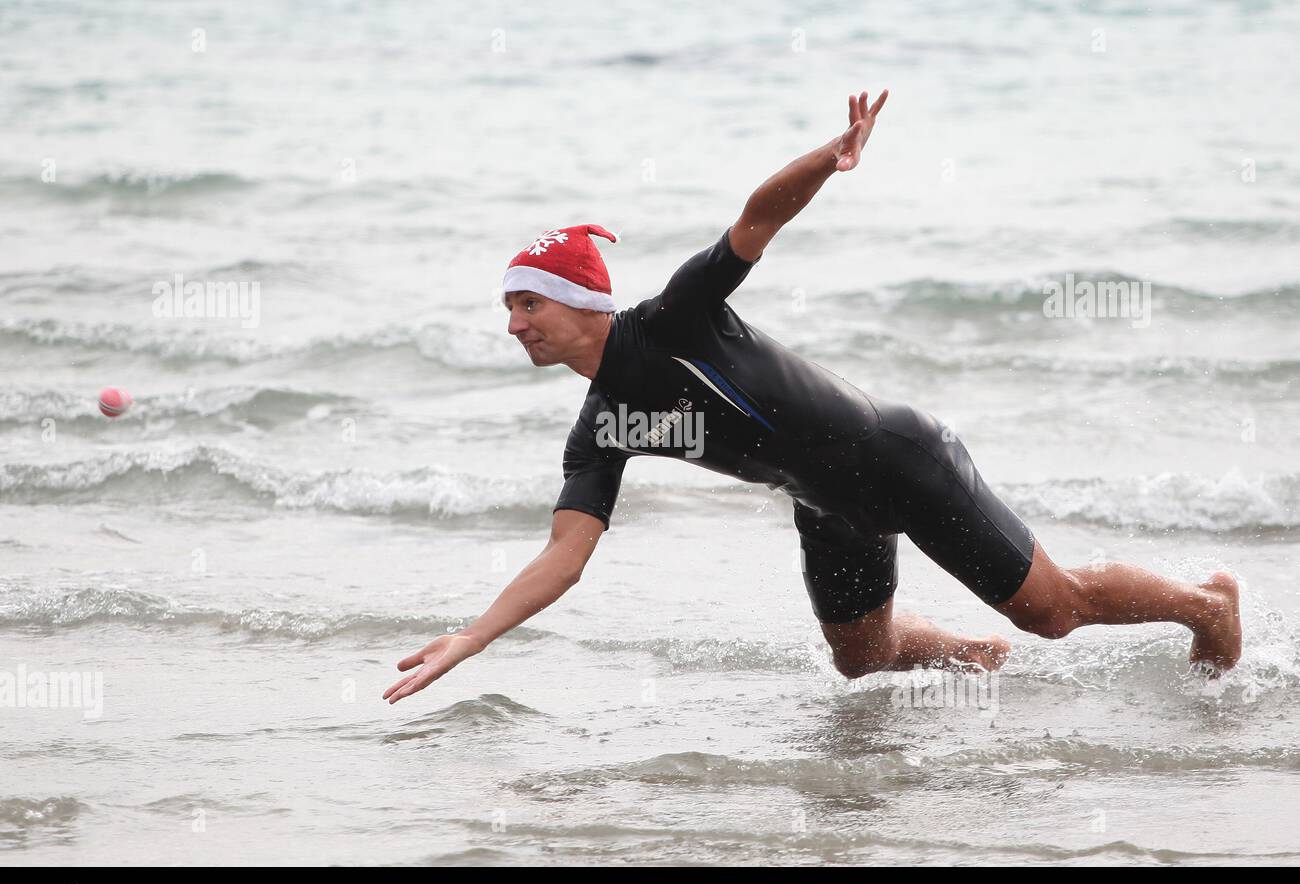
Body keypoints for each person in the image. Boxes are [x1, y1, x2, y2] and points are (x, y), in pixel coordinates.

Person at [385, 90, 1241, 705]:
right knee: (864, 660)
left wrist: (829, 161)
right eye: (508, 308)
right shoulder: (601, 426)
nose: (514, 325)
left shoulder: (672, 321)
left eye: (526, 303)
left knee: (1056, 613)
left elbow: (754, 222)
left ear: (580, 301)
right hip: (827, 505)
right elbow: (563, 557)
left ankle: (1206, 604)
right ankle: (977, 658)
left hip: (899, 461)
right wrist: (474, 635)